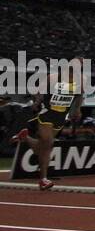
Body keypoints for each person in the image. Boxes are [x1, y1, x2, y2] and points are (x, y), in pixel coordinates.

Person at [10, 58, 86, 190]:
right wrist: (37, 102)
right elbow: (38, 92)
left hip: (61, 117)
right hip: (47, 114)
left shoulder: (81, 80)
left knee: (42, 148)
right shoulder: (54, 77)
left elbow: (79, 95)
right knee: (49, 143)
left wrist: (78, 109)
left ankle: (25, 138)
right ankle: (43, 179)